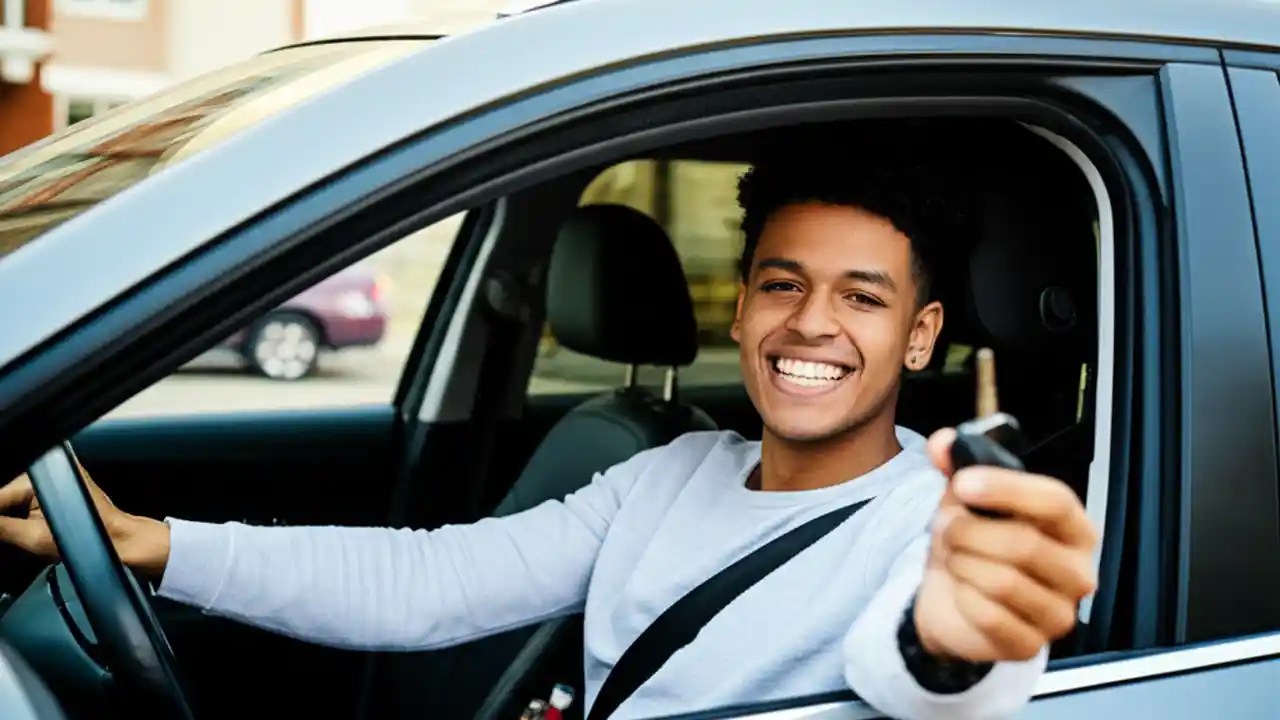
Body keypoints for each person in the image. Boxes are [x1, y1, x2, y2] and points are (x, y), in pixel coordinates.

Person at [0, 148, 1098, 720]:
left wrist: (953, 648)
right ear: (741, 308)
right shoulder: (666, 469)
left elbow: (922, 666)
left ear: (921, 336)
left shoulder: (935, 525)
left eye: (861, 299)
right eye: (781, 284)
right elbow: (430, 583)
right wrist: (154, 542)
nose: (810, 323)